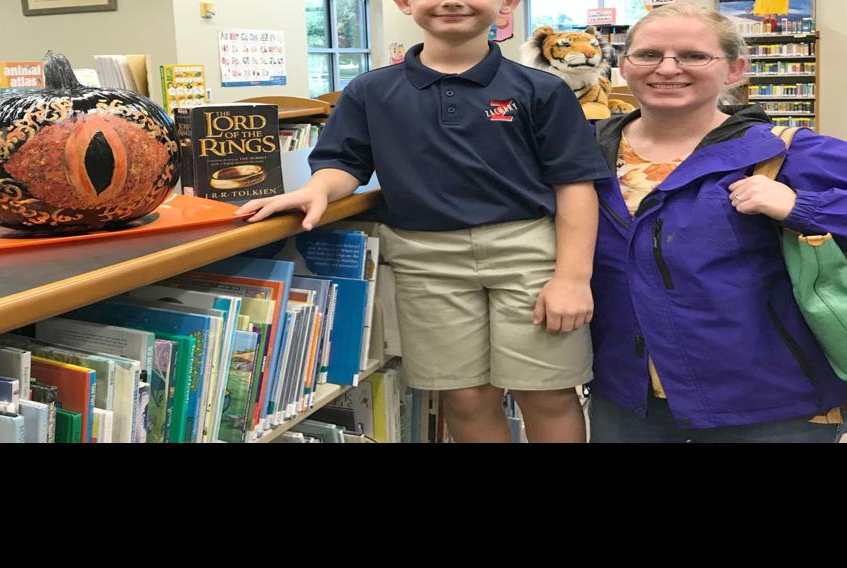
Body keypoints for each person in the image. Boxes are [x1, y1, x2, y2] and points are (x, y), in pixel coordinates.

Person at [238, 0, 612, 442]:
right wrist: (317, 189)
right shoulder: (369, 90)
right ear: (404, 3)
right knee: (465, 396)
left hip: (529, 252)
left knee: (546, 393)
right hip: (426, 260)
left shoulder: (541, 89)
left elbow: (574, 185)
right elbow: (345, 163)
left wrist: (572, 278)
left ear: (507, 3)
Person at [586, 2, 847, 442]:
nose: (667, 68)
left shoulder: (785, 153)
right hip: (626, 401)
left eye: (694, 56)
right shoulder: (582, 156)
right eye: (648, 55)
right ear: (623, 65)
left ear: (735, 69)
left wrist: (805, 207)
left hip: (766, 403)